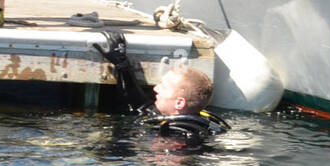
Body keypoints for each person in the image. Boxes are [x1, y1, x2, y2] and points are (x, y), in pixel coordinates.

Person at [92, 28, 228, 145]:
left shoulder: (176, 136)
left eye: (164, 86)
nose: (156, 89)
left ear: (179, 103)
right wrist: (122, 64)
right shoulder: (193, 121)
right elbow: (141, 106)